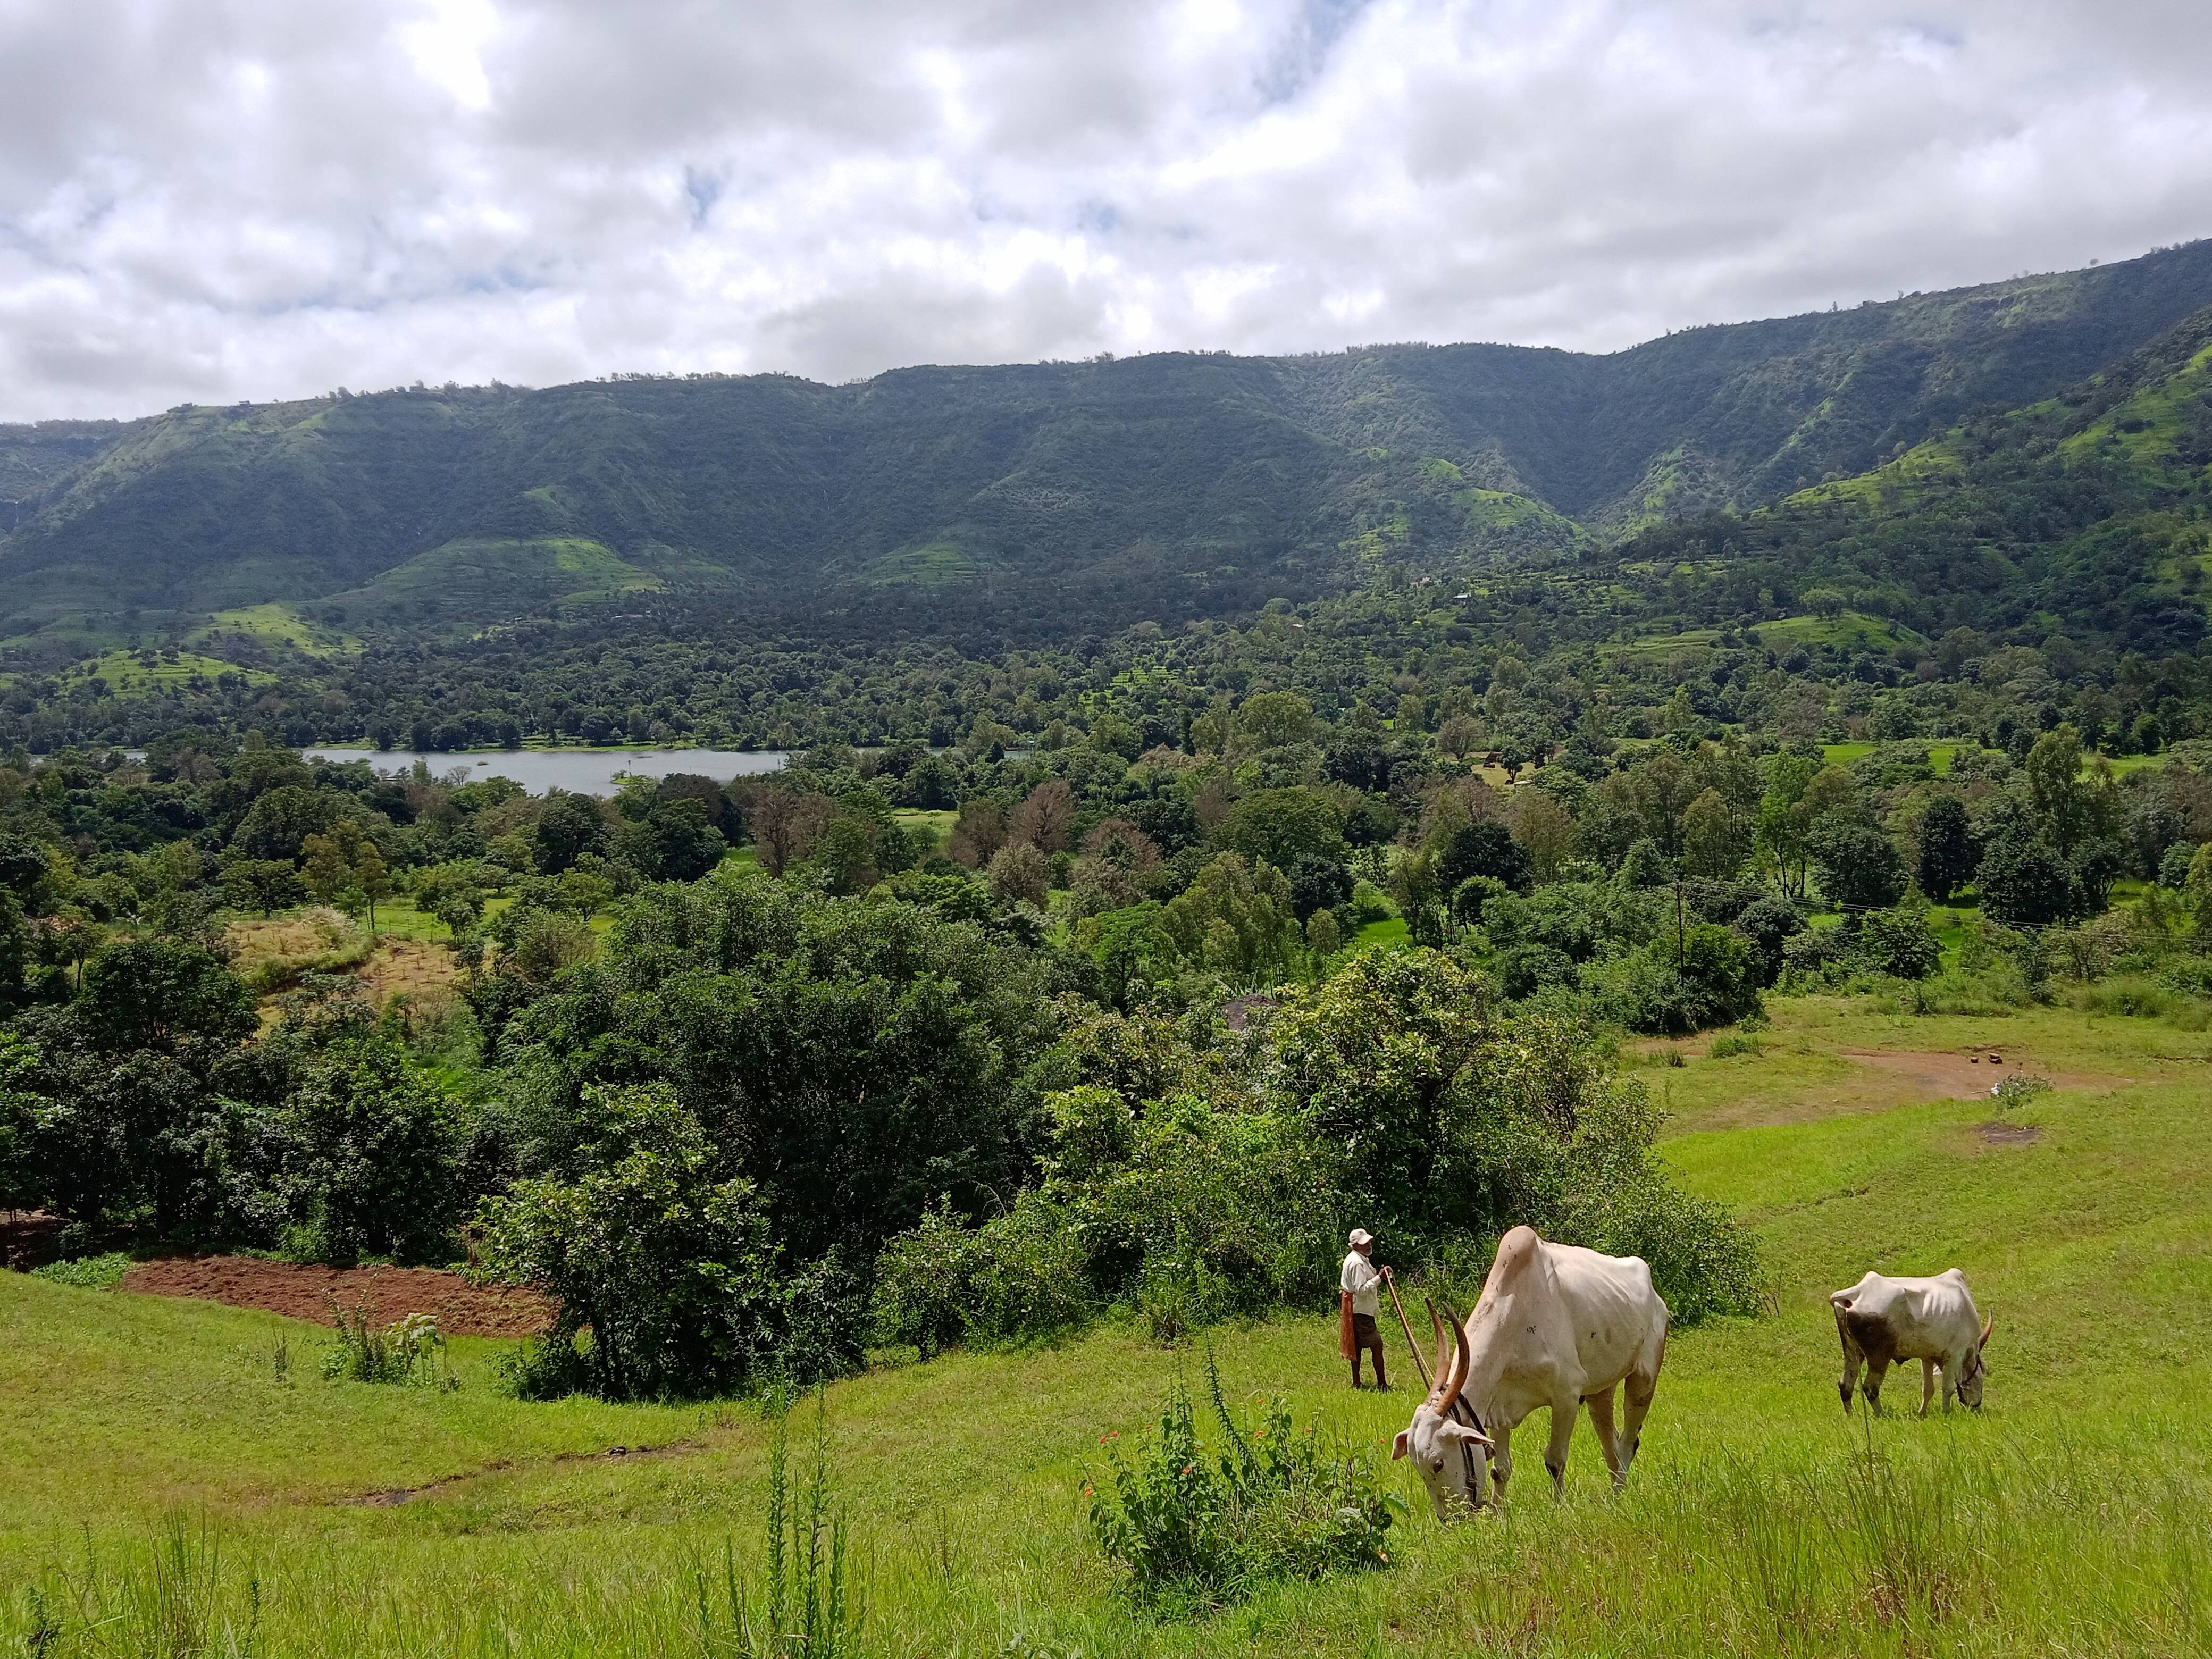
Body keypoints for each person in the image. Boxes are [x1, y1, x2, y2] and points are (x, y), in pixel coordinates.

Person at [1340, 1227, 1389, 1389]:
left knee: (1358, 1346)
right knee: (1377, 1344)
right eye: (1364, 1244)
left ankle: (1357, 1383)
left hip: (1358, 1309)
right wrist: (1379, 1278)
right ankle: (1382, 1384)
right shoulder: (1356, 1263)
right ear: (1355, 1245)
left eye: (1369, 1242)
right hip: (1360, 1311)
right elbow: (1361, 1290)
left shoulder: (1360, 1258)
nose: (1368, 1245)